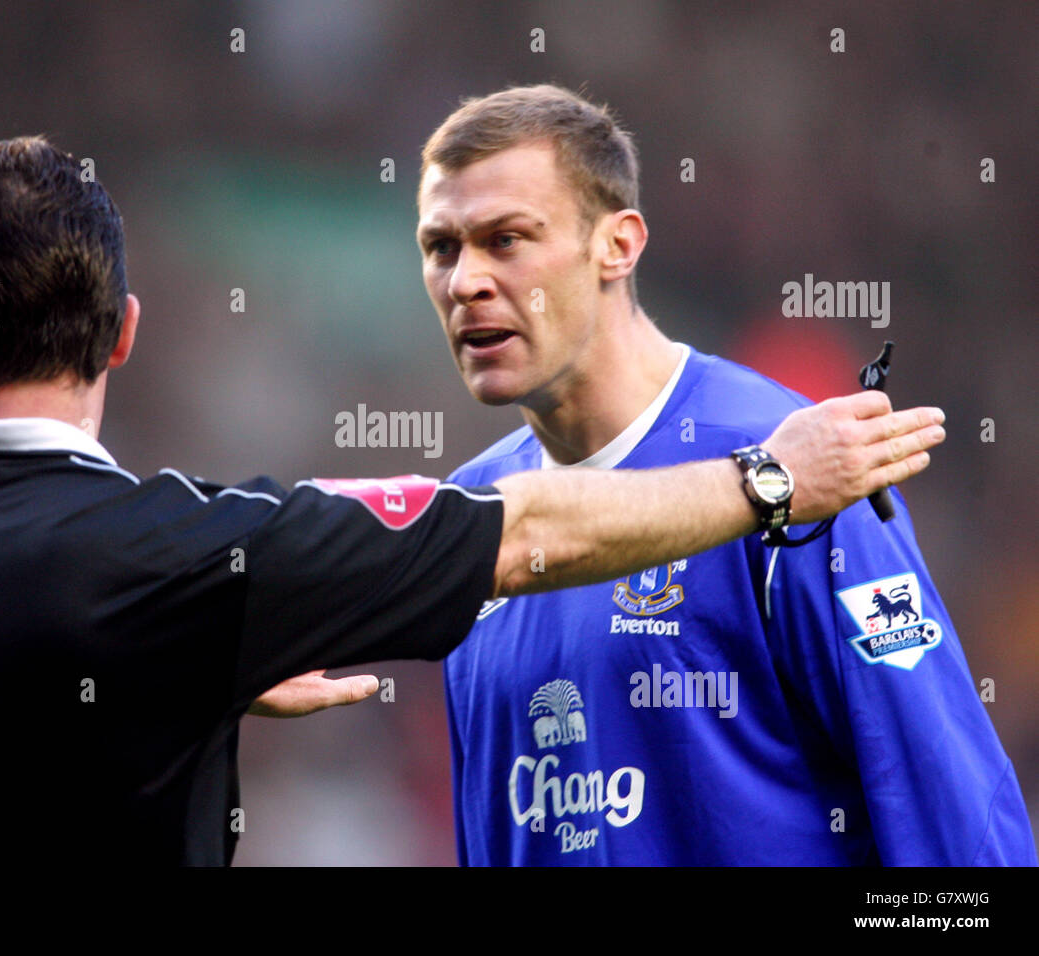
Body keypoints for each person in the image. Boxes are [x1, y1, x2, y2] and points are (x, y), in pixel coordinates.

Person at [0, 136, 943, 868]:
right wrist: (771, 476)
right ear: (124, 335)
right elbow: (523, 536)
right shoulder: (178, 555)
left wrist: (176, 671)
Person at [419, 84, 1035, 865]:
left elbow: (960, 836)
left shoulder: (802, 470)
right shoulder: (474, 521)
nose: (465, 280)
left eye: (506, 240)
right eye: (441, 247)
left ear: (619, 244)